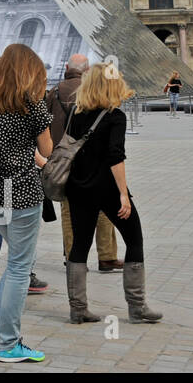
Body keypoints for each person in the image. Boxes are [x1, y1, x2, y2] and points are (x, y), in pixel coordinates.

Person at [61, 64, 162, 325]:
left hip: (78, 187)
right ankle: (137, 307)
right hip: (106, 188)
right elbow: (115, 157)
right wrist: (123, 195)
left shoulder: (75, 111)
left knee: (80, 245)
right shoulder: (114, 116)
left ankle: (78, 309)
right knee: (134, 239)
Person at [0, 44, 53, 363]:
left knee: (15, 262)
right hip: (22, 193)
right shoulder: (30, 103)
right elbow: (47, 147)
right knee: (20, 266)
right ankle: (9, 343)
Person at [48, 55, 122, 272]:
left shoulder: (54, 92)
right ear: (87, 69)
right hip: (95, 161)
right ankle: (107, 256)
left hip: (64, 161)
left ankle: (73, 259)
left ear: (66, 68)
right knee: (104, 208)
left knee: (69, 212)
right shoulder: (96, 91)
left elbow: (45, 126)